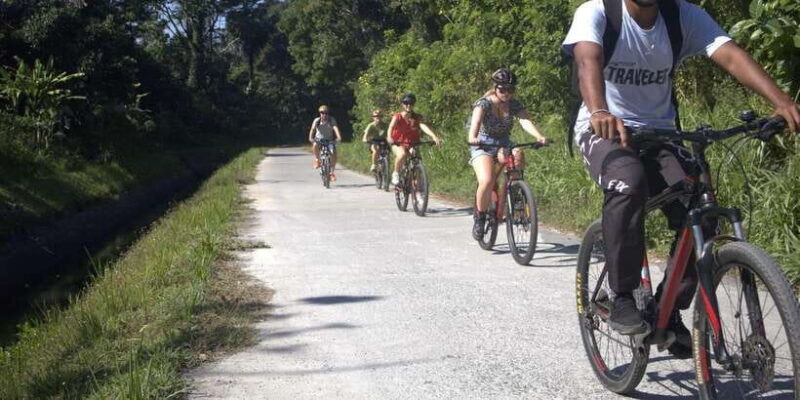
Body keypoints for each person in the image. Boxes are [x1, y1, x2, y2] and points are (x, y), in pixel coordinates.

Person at [562, 0, 800, 358]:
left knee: (703, 206)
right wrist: (599, 109)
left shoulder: (681, 15)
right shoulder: (598, 11)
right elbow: (587, 60)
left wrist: (781, 101)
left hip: (661, 133)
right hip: (605, 130)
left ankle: (668, 309)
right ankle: (622, 295)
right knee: (628, 182)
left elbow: (730, 54)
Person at [467, 68, 548, 240]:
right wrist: (472, 137)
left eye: (510, 89)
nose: (506, 93)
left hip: (504, 143)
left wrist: (539, 136)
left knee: (518, 155)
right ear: (495, 88)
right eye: (502, 89)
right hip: (483, 144)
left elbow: (525, 120)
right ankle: (480, 218)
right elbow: (476, 122)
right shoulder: (484, 104)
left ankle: (516, 195)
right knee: (487, 180)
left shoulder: (514, 104)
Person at [386, 93, 442, 185]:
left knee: (416, 159)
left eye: (411, 103)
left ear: (414, 104)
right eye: (406, 103)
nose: (408, 105)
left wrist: (434, 137)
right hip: (398, 143)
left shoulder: (417, 117)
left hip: (412, 143)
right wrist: (389, 137)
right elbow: (390, 127)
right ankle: (395, 173)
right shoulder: (397, 116)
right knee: (402, 154)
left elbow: (423, 126)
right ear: (402, 104)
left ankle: (416, 184)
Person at [308, 105, 343, 181]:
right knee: (315, 145)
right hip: (319, 139)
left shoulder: (331, 120)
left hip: (329, 140)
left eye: (326, 113)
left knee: (333, 154)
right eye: (322, 113)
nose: (324, 115)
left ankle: (331, 173)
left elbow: (335, 128)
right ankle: (317, 160)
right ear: (320, 113)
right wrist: (310, 137)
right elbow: (312, 130)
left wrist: (339, 137)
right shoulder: (317, 121)